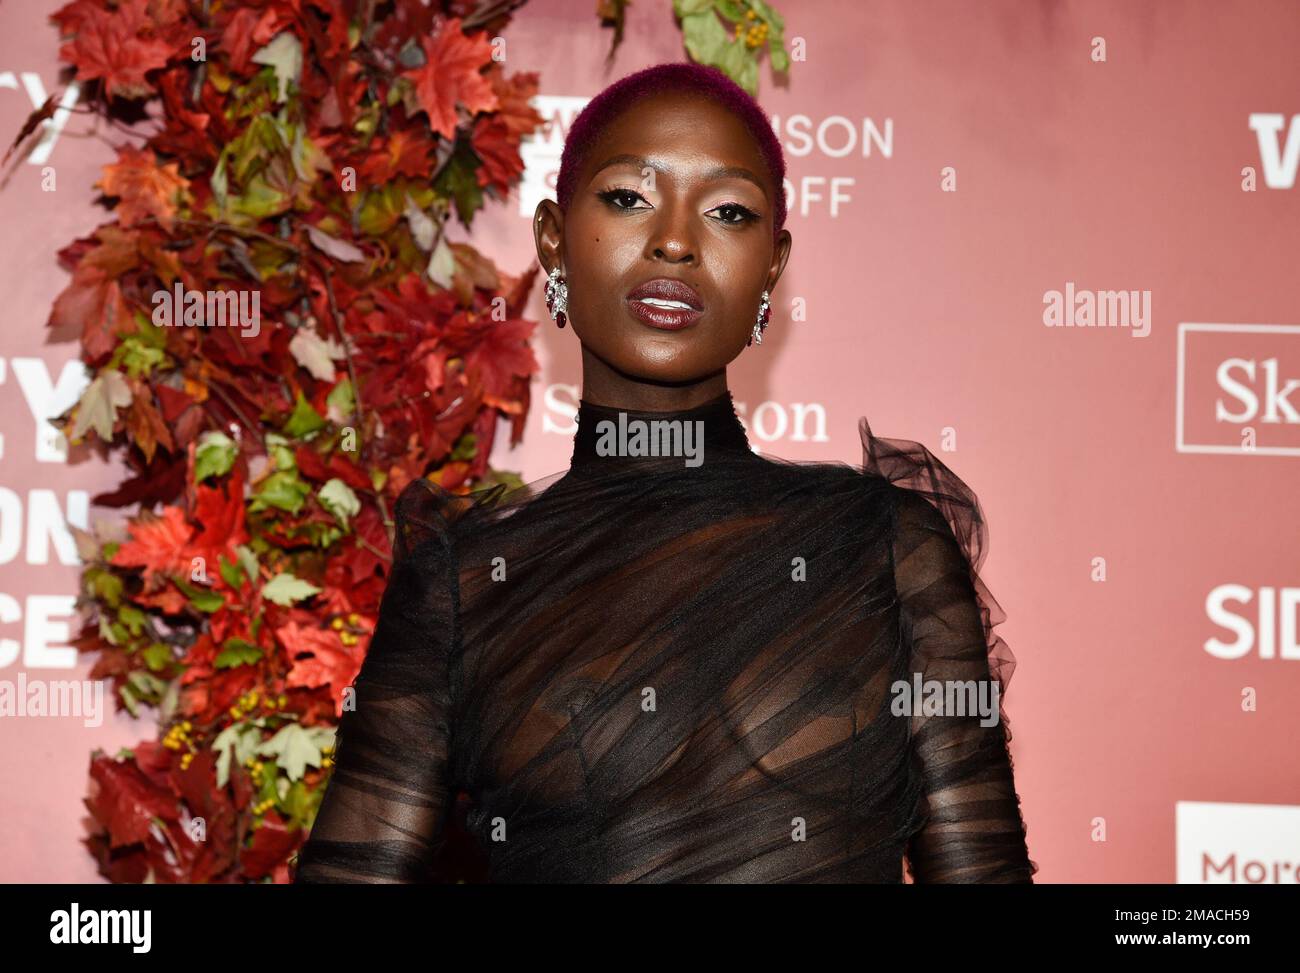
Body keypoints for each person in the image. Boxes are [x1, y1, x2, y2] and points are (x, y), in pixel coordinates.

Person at [293, 61, 1037, 884]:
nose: (676, 240)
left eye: (727, 212)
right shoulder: (467, 586)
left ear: (772, 267)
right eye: (627, 197)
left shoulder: (888, 549)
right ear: (552, 239)